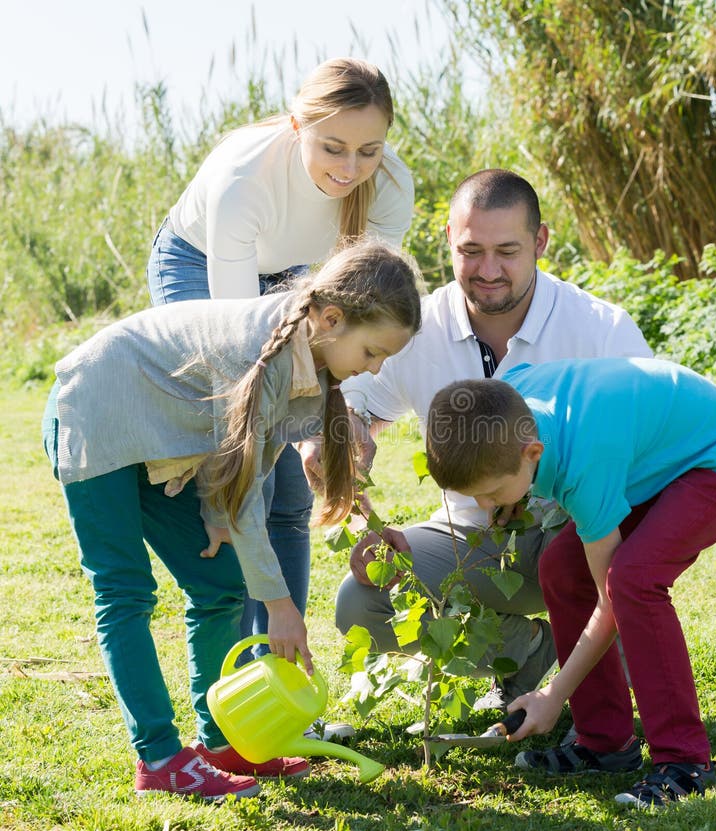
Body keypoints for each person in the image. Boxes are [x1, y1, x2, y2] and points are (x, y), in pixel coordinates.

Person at [42, 241, 422, 799]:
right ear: (331, 318)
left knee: (217, 582)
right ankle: (160, 758)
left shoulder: (308, 354)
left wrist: (215, 512)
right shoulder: (259, 349)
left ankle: (220, 742)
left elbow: (252, 459)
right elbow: (251, 495)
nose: (375, 368)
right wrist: (280, 607)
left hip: (156, 433)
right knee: (125, 591)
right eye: (372, 352)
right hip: (96, 415)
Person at [332, 169, 652, 706]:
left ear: (540, 242)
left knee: (569, 558)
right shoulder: (417, 327)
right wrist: (347, 433)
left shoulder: (600, 329)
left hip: (573, 532)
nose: (488, 271)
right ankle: (530, 653)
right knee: (360, 603)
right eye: (471, 251)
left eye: (507, 250)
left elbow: (649, 450)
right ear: (450, 245)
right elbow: (354, 396)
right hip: (470, 539)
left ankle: (596, 670)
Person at [146, 57, 414, 660]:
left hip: (291, 274)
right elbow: (247, 359)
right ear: (298, 126)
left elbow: (364, 319)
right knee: (253, 469)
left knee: (293, 492)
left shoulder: (391, 190)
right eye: (334, 147)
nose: (351, 169)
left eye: (369, 150)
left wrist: (339, 423)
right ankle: (241, 672)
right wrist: (299, 424)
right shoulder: (245, 179)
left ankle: (283, 678)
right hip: (198, 264)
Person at [424, 360, 716, 808]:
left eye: (491, 492)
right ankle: (605, 743)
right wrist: (510, 491)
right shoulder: (504, 402)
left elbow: (610, 601)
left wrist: (554, 694)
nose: (484, 504)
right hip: (658, 458)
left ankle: (685, 762)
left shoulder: (585, 461)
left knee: (633, 580)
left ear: (532, 454)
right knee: (560, 569)